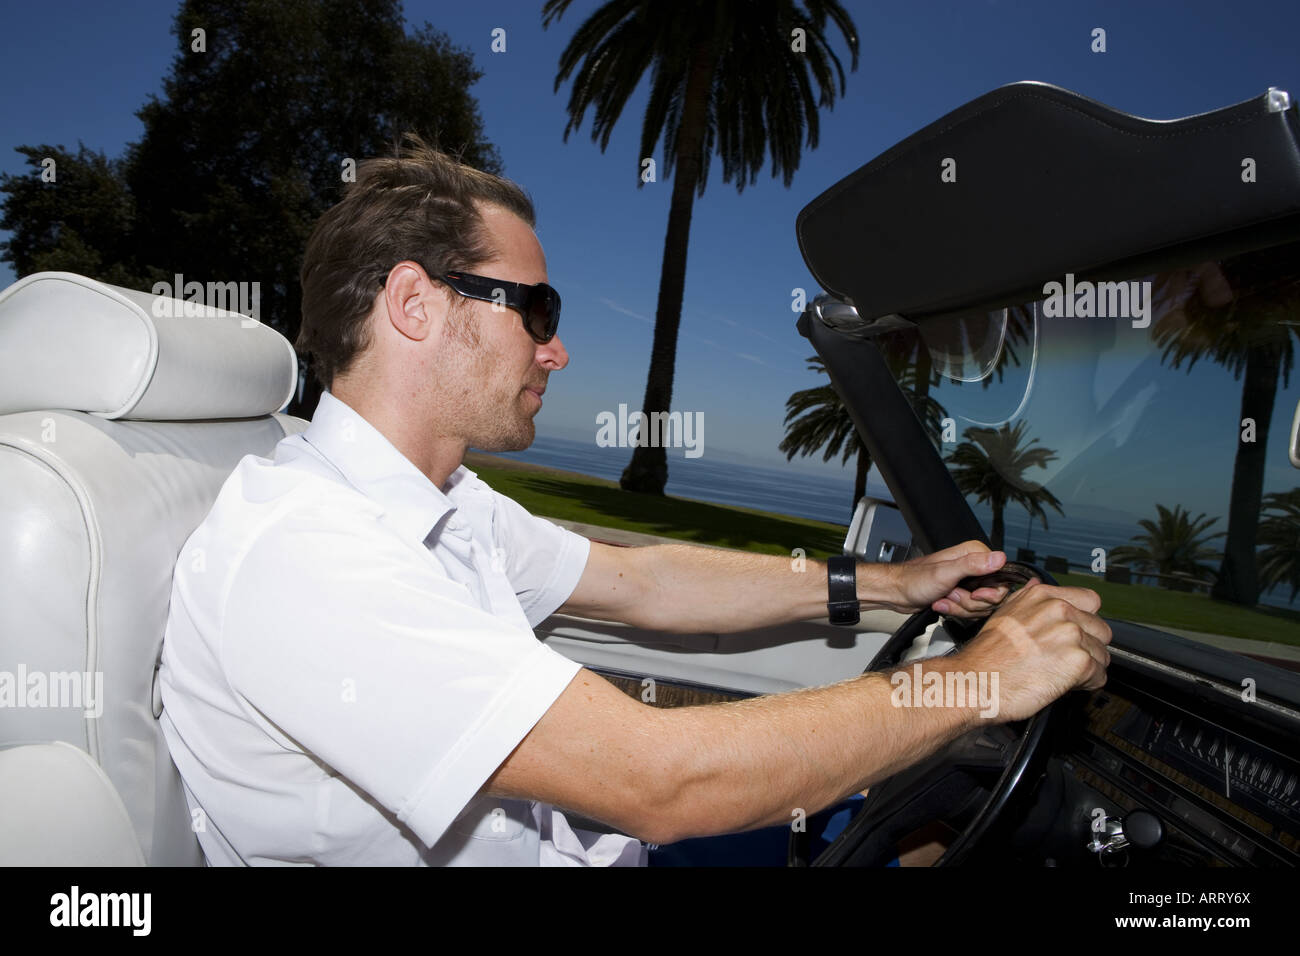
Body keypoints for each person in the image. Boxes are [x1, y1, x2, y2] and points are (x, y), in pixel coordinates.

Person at [158, 137, 1111, 866]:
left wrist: (893, 585)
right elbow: (657, 782)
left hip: (603, 852)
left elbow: (645, 583)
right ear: (416, 305)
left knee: (913, 830)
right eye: (536, 309)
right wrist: (978, 681)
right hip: (631, 832)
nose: (556, 349)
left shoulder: (440, 503)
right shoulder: (310, 553)